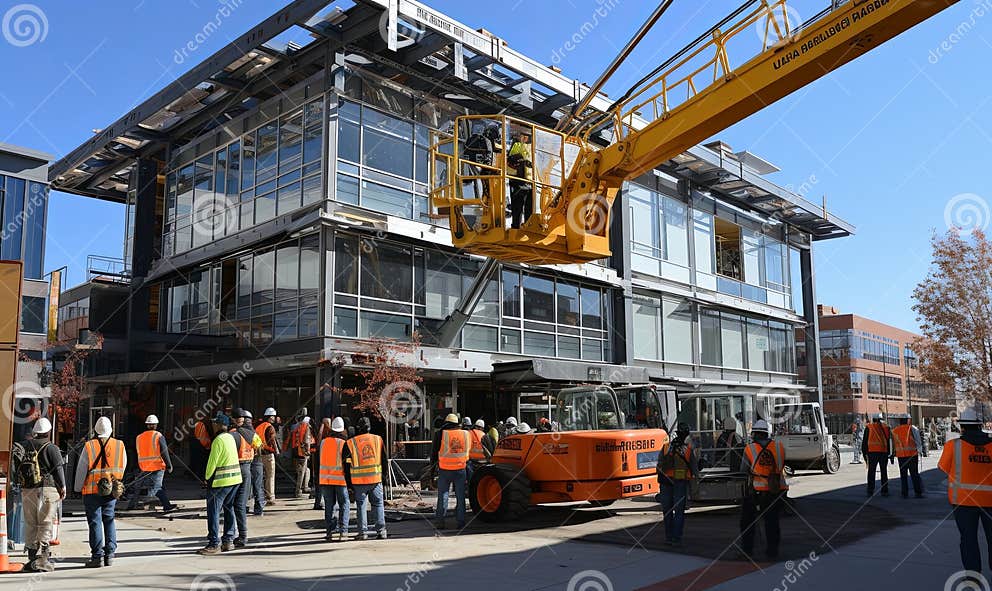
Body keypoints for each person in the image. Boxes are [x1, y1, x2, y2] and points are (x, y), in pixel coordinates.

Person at [939, 406, 992, 574]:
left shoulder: (953, 445)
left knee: (968, 539)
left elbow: (943, 468)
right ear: (979, 425)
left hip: (963, 501)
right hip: (990, 501)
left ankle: (974, 575)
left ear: (962, 426)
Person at [12, 417, 65, 572]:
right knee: (45, 522)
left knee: (31, 523)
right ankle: (43, 559)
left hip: (27, 490)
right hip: (47, 489)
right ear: (48, 432)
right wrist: (62, 486)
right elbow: (58, 469)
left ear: (35, 431)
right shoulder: (51, 448)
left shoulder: (25, 446)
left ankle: (32, 557)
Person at [75, 416, 126, 568]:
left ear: (96, 431)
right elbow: (123, 466)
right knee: (109, 519)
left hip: (91, 491)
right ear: (111, 430)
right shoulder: (119, 445)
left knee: (95, 522)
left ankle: (97, 556)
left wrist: (78, 488)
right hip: (111, 489)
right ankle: (110, 554)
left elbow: (81, 470)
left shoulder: (89, 446)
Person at [740, 419, 787, 560]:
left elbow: (743, 470)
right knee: (772, 522)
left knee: (747, 522)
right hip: (775, 490)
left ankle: (747, 551)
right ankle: (772, 551)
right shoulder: (779, 447)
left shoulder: (749, 449)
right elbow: (782, 465)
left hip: (756, 491)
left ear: (755, 433)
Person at [199, 415, 243, 555]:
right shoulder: (231, 437)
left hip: (221, 482)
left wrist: (206, 478)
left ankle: (213, 544)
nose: (213, 425)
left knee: (213, 511)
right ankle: (228, 541)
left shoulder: (218, 440)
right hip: (235, 479)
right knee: (228, 508)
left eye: (214, 423)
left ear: (218, 425)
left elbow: (213, 462)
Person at [344, 417, 387, 540]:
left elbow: (347, 465)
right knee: (378, 504)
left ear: (358, 428)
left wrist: (349, 484)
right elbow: (383, 459)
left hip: (359, 481)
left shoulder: (351, 443)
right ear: (369, 427)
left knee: (361, 506)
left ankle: (363, 533)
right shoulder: (378, 440)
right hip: (375, 479)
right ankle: (381, 531)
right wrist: (384, 478)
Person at [657, 422, 697, 547]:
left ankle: (669, 537)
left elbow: (658, 465)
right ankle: (676, 538)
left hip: (665, 482)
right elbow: (695, 469)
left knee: (667, 511)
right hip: (680, 482)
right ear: (686, 435)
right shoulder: (688, 450)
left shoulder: (666, 447)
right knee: (678, 511)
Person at [128, 414, 177, 513]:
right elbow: (164, 451)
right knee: (156, 488)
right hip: (157, 466)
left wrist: (134, 466)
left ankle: (132, 505)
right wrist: (169, 465)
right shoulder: (158, 436)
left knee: (139, 486)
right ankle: (166, 506)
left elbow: (136, 452)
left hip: (144, 466)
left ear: (147, 425)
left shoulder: (139, 437)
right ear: (156, 425)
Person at [229, 409, 262, 547]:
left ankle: (230, 534)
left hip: (234, 469)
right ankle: (243, 536)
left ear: (233, 419)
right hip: (247, 469)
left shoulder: (232, 434)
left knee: (229, 503)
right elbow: (259, 447)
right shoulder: (252, 434)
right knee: (241, 504)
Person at [432, 413, 470, 530]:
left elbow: (434, 453)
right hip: (460, 469)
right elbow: (468, 450)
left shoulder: (440, 434)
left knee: (443, 496)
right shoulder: (465, 434)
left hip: (445, 470)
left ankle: (440, 522)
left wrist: (432, 470)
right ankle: (461, 522)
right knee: (460, 496)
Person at [318, 417, 350, 542]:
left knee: (329, 506)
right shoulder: (344, 443)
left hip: (325, 480)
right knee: (344, 504)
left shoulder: (324, 442)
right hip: (340, 480)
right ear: (342, 430)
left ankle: (330, 532)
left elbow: (318, 461)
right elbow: (347, 464)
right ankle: (343, 532)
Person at [892, 417, 924, 499]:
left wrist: (892, 454)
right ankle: (918, 492)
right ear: (907, 420)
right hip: (912, 455)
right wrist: (920, 451)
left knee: (903, 475)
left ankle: (904, 493)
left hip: (901, 456)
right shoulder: (912, 428)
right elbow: (918, 440)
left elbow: (893, 443)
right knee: (914, 474)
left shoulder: (895, 430)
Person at [506, 131, 534, 229]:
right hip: (518, 180)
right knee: (517, 206)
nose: (523, 138)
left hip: (530, 182)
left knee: (529, 208)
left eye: (525, 136)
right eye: (522, 136)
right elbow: (510, 159)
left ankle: (527, 226)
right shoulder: (517, 145)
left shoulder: (533, 148)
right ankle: (516, 226)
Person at [862, 413, 892, 497]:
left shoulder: (869, 427)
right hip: (883, 452)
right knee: (884, 471)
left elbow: (865, 441)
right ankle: (884, 491)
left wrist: (864, 453)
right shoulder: (886, 427)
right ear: (881, 419)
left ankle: (870, 490)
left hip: (872, 452)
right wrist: (890, 453)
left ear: (873, 419)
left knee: (871, 471)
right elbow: (889, 441)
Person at [255, 407, 280, 506]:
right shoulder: (270, 427)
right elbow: (272, 440)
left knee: (260, 476)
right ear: (270, 417)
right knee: (270, 476)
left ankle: (260, 496)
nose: (274, 418)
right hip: (268, 454)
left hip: (258, 453)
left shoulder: (258, 425)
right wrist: (277, 451)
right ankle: (270, 497)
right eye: (273, 416)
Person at [287, 415, 315, 498]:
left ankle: (305, 487)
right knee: (301, 473)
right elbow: (307, 440)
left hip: (296, 452)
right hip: (302, 453)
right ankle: (298, 491)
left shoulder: (297, 427)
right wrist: (308, 451)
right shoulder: (306, 428)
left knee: (305, 470)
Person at [193, 416, 213, 485]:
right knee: (203, 463)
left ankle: (199, 476)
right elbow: (203, 437)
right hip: (204, 446)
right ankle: (203, 478)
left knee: (199, 463)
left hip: (199, 445)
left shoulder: (198, 424)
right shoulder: (202, 424)